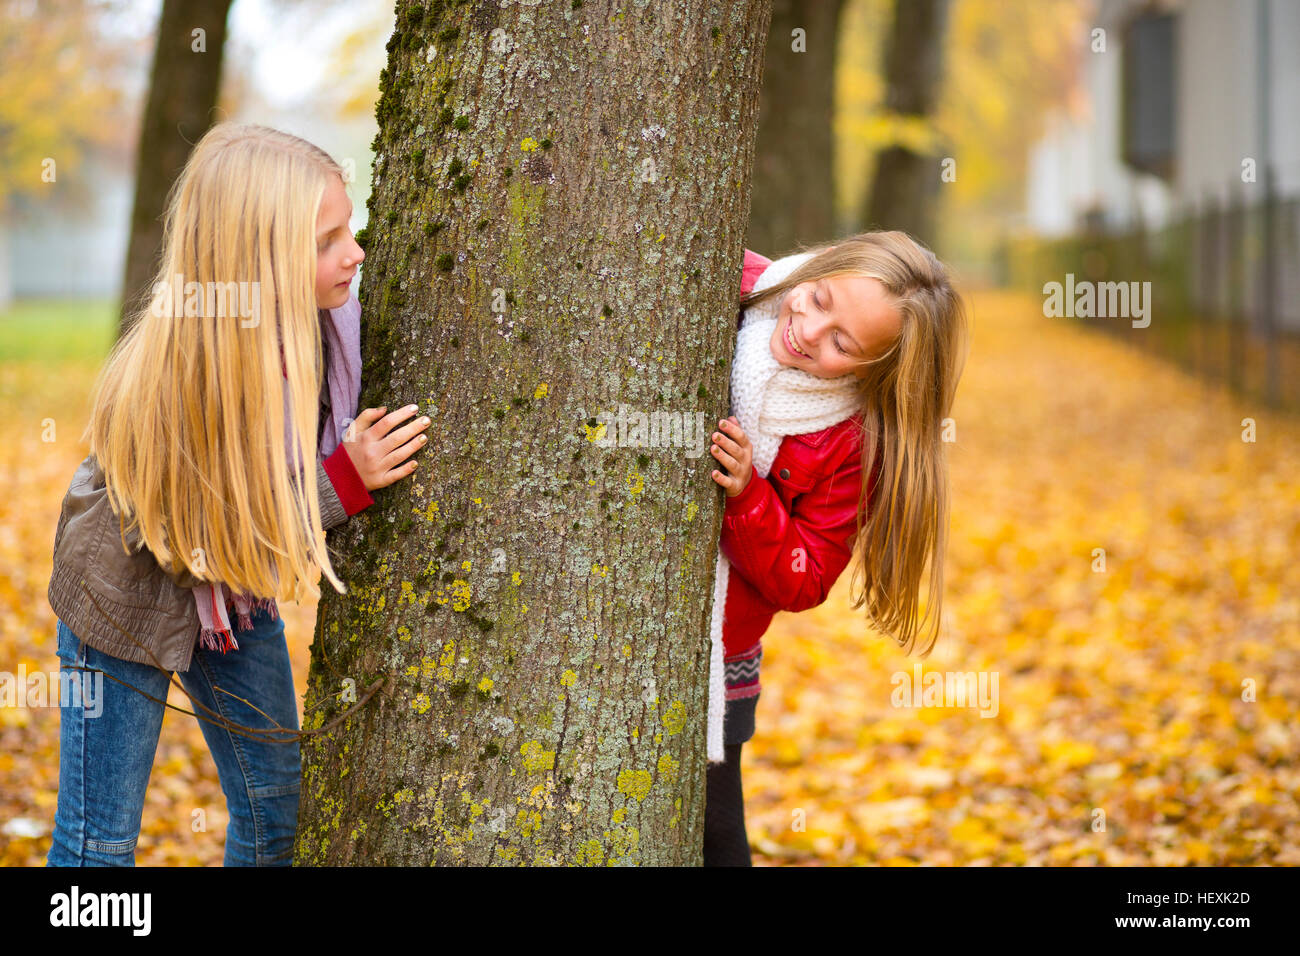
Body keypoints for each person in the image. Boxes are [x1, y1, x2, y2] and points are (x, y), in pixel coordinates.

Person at [45, 123, 429, 866]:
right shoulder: (179, 383)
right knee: (99, 842)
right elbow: (209, 538)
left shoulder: (323, 321)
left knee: (277, 813)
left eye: (350, 226)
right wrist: (344, 481)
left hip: (232, 601)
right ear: (264, 264)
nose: (354, 252)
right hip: (125, 590)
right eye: (327, 241)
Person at [702, 232, 970, 865]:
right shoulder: (737, 283)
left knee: (715, 833)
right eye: (818, 299)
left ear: (873, 370)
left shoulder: (846, 442)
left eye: (841, 343)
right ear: (817, 269)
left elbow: (806, 575)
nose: (808, 330)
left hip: (721, 651)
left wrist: (748, 497)